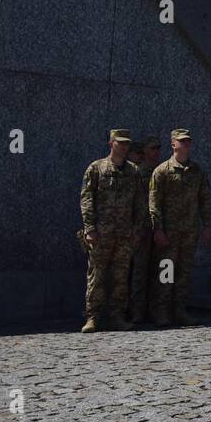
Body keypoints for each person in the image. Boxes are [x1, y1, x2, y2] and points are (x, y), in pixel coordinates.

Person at [79, 128, 147, 333]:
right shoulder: (96, 168)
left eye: (127, 143)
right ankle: (93, 317)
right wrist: (89, 228)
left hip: (125, 234)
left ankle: (117, 316)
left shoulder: (133, 171)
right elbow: (86, 199)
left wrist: (137, 230)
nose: (124, 147)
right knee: (96, 276)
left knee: (120, 277)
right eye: (120, 143)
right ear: (111, 144)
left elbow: (139, 203)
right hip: (101, 233)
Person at [149, 128, 211, 326]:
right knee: (166, 273)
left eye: (188, 141)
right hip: (169, 234)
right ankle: (162, 311)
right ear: (173, 144)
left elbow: (205, 200)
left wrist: (207, 225)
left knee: (184, 273)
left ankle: (179, 310)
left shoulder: (197, 171)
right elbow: (154, 203)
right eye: (182, 141)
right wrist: (157, 229)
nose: (186, 144)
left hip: (189, 232)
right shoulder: (162, 171)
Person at [128, 135, 163, 323]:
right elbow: (137, 204)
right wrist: (137, 229)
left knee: (160, 272)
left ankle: (157, 309)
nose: (156, 152)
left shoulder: (162, 172)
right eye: (152, 148)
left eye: (158, 148)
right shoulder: (137, 173)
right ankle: (137, 312)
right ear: (144, 152)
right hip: (142, 229)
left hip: (159, 230)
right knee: (139, 272)